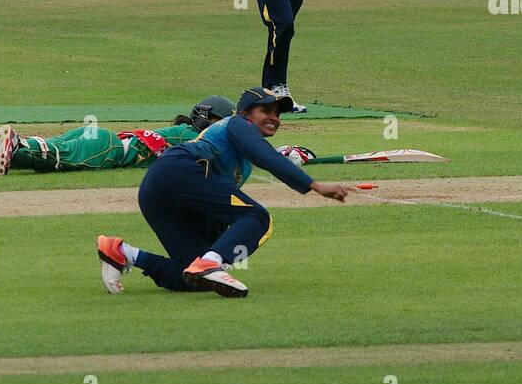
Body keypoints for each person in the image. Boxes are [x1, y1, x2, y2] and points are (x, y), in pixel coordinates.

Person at [96, 87, 349, 298]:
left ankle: (123, 252)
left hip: (159, 188)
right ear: (245, 114)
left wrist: (214, 247)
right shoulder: (238, 124)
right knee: (257, 218)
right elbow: (266, 156)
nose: (274, 117)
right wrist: (315, 186)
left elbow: (216, 210)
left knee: (190, 274)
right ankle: (211, 263)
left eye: (277, 113)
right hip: (181, 170)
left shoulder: (243, 161)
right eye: (266, 111)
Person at [0, 96, 235, 175]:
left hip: (98, 135)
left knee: (46, 147)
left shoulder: (181, 130)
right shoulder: (191, 137)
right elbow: (219, 158)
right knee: (52, 158)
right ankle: (17, 142)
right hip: (109, 150)